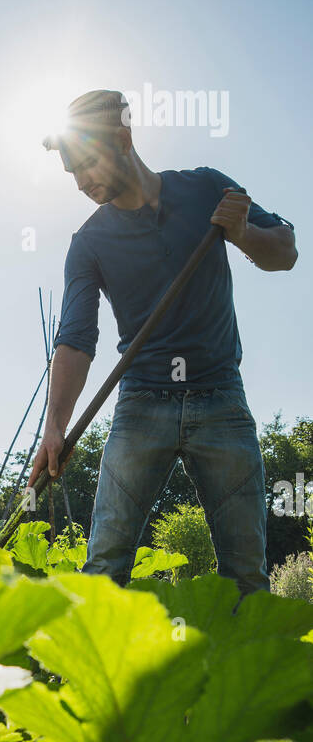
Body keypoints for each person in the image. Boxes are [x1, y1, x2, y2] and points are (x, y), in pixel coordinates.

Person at [28, 89, 297, 596]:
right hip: (140, 404)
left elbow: (284, 252)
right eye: (72, 175)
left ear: (124, 139)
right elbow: (76, 338)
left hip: (221, 400)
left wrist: (241, 234)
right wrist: (56, 425)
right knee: (104, 565)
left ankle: (252, 671)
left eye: (87, 166)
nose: (82, 183)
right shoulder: (88, 243)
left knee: (247, 575)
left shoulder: (207, 189)